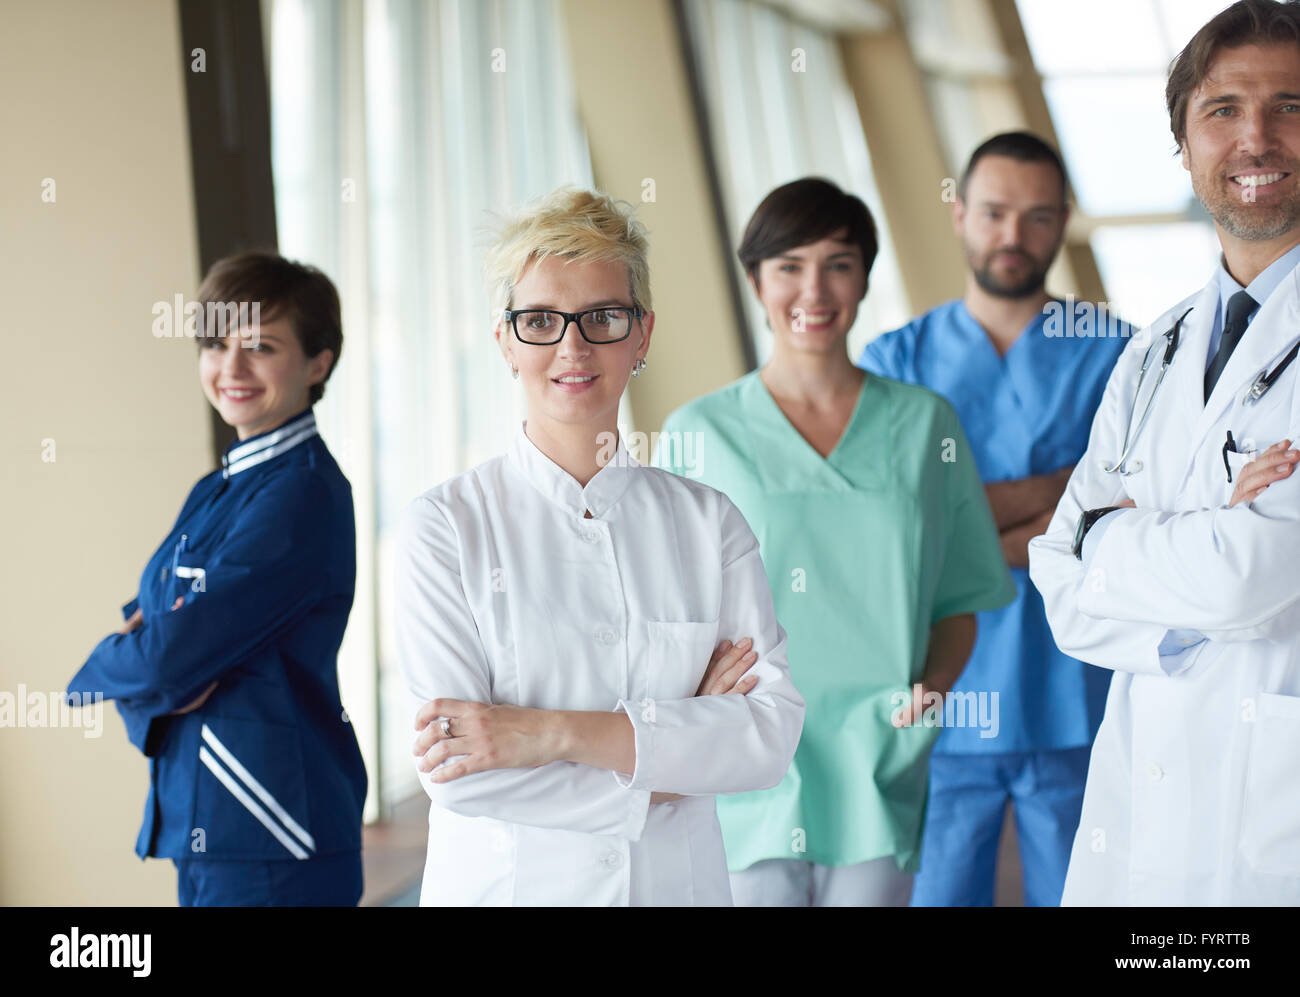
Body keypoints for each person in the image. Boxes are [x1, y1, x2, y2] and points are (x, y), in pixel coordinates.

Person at [394, 187, 805, 907]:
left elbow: (766, 735)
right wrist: (676, 747)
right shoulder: (444, 526)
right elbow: (460, 768)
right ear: (505, 339)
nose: (572, 346)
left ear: (642, 335)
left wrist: (543, 731)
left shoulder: (709, 524)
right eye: (541, 321)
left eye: (602, 318)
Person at [655, 178, 1016, 906]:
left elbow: (961, 594)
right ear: (755, 280)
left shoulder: (923, 426)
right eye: (789, 264)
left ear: (864, 277)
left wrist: (931, 691)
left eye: (838, 263)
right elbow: (666, 607)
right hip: (745, 758)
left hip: (875, 761)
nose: (813, 289)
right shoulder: (697, 432)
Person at [1029, 0, 1300, 906]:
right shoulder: (1155, 349)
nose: (1256, 138)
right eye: (1222, 110)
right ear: (1184, 147)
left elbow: (1249, 574)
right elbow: (1058, 581)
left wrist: (1118, 540)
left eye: (1291, 107)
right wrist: (1200, 538)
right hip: (1142, 834)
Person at [858, 132, 1130, 907]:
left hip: (1073, 687)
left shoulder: (1120, 352)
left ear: (1064, 220)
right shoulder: (896, 359)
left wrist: (957, 524)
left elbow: (1127, 513)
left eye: (1038, 217)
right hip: (942, 689)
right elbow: (895, 527)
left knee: (1084, 895)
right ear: (959, 213)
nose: (1013, 236)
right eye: (996, 212)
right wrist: (1060, 489)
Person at [66, 251, 367, 906]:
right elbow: (156, 627)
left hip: (271, 831)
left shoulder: (299, 495)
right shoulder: (222, 485)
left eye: (260, 346)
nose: (231, 368)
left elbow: (169, 652)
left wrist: (108, 667)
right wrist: (159, 664)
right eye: (215, 343)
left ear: (319, 363)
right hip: (215, 823)